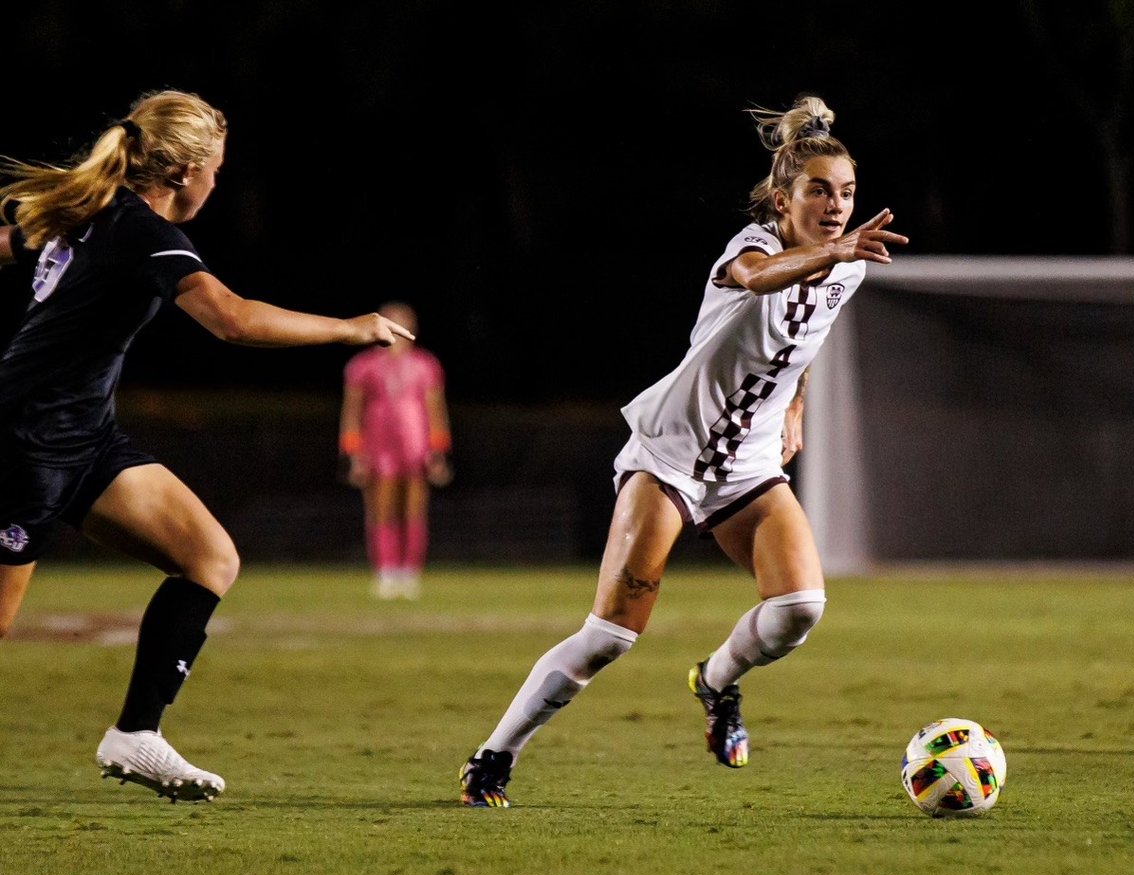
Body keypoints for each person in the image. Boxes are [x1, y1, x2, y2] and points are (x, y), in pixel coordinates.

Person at [458, 94, 909, 807]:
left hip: (749, 464)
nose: (835, 206)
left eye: (846, 193)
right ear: (782, 198)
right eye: (818, 191)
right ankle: (492, 757)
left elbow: (805, 336)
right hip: (671, 454)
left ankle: (717, 682)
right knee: (609, 636)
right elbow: (762, 281)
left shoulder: (845, 266)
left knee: (800, 607)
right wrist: (832, 251)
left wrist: (793, 401)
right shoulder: (749, 247)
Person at [0, 89, 414, 803]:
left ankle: (135, 734)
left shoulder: (92, 208)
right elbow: (231, 320)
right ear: (184, 173)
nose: (218, 184)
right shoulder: (139, 228)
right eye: (215, 170)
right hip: (23, 444)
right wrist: (350, 327)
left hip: (84, 439)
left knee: (209, 558)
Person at [338, 300, 452, 600]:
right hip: (379, 445)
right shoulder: (362, 365)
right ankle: (386, 571)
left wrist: (437, 450)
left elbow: (435, 410)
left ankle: (410, 572)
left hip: (416, 444)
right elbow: (352, 412)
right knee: (382, 510)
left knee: (414, 510)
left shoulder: (426, 364)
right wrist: (354, 453)